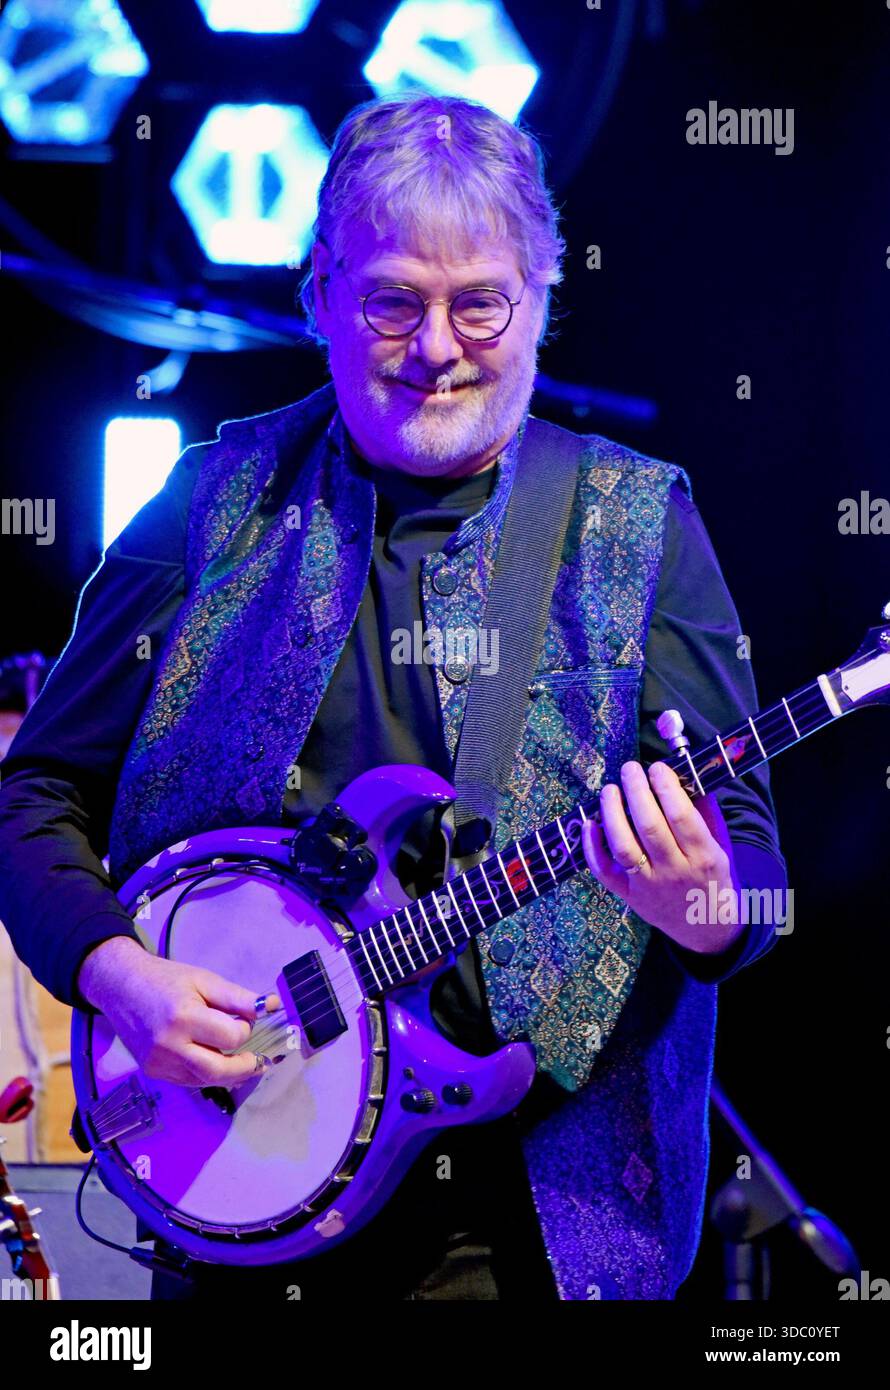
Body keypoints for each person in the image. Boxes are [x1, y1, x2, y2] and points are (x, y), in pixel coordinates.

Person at [0, 93, 786, 1301]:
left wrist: (706, 907)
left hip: (535, 1230)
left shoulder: (637, 521)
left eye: (480, 301)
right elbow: (34, 795)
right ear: (319, 296)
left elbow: (753, 874)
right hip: (237, 1211)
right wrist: (115, 972)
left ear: (538, 297)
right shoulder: (208, 504)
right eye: (391, 301)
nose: (437, 347)